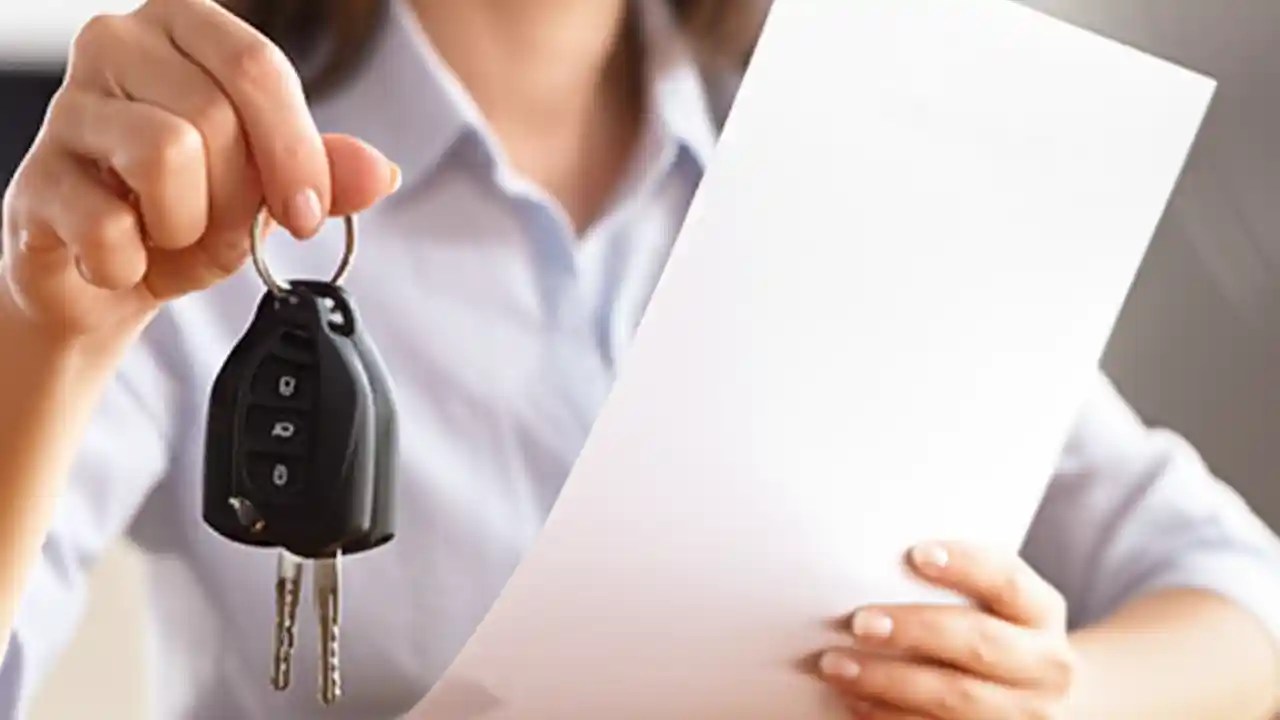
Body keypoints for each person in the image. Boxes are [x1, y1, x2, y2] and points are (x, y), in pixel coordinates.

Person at [0, 0, 1277, 717]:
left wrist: (1055, 699)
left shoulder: (856, 178)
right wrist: (43, 332)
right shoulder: (189, 204)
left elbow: (1244, 603)